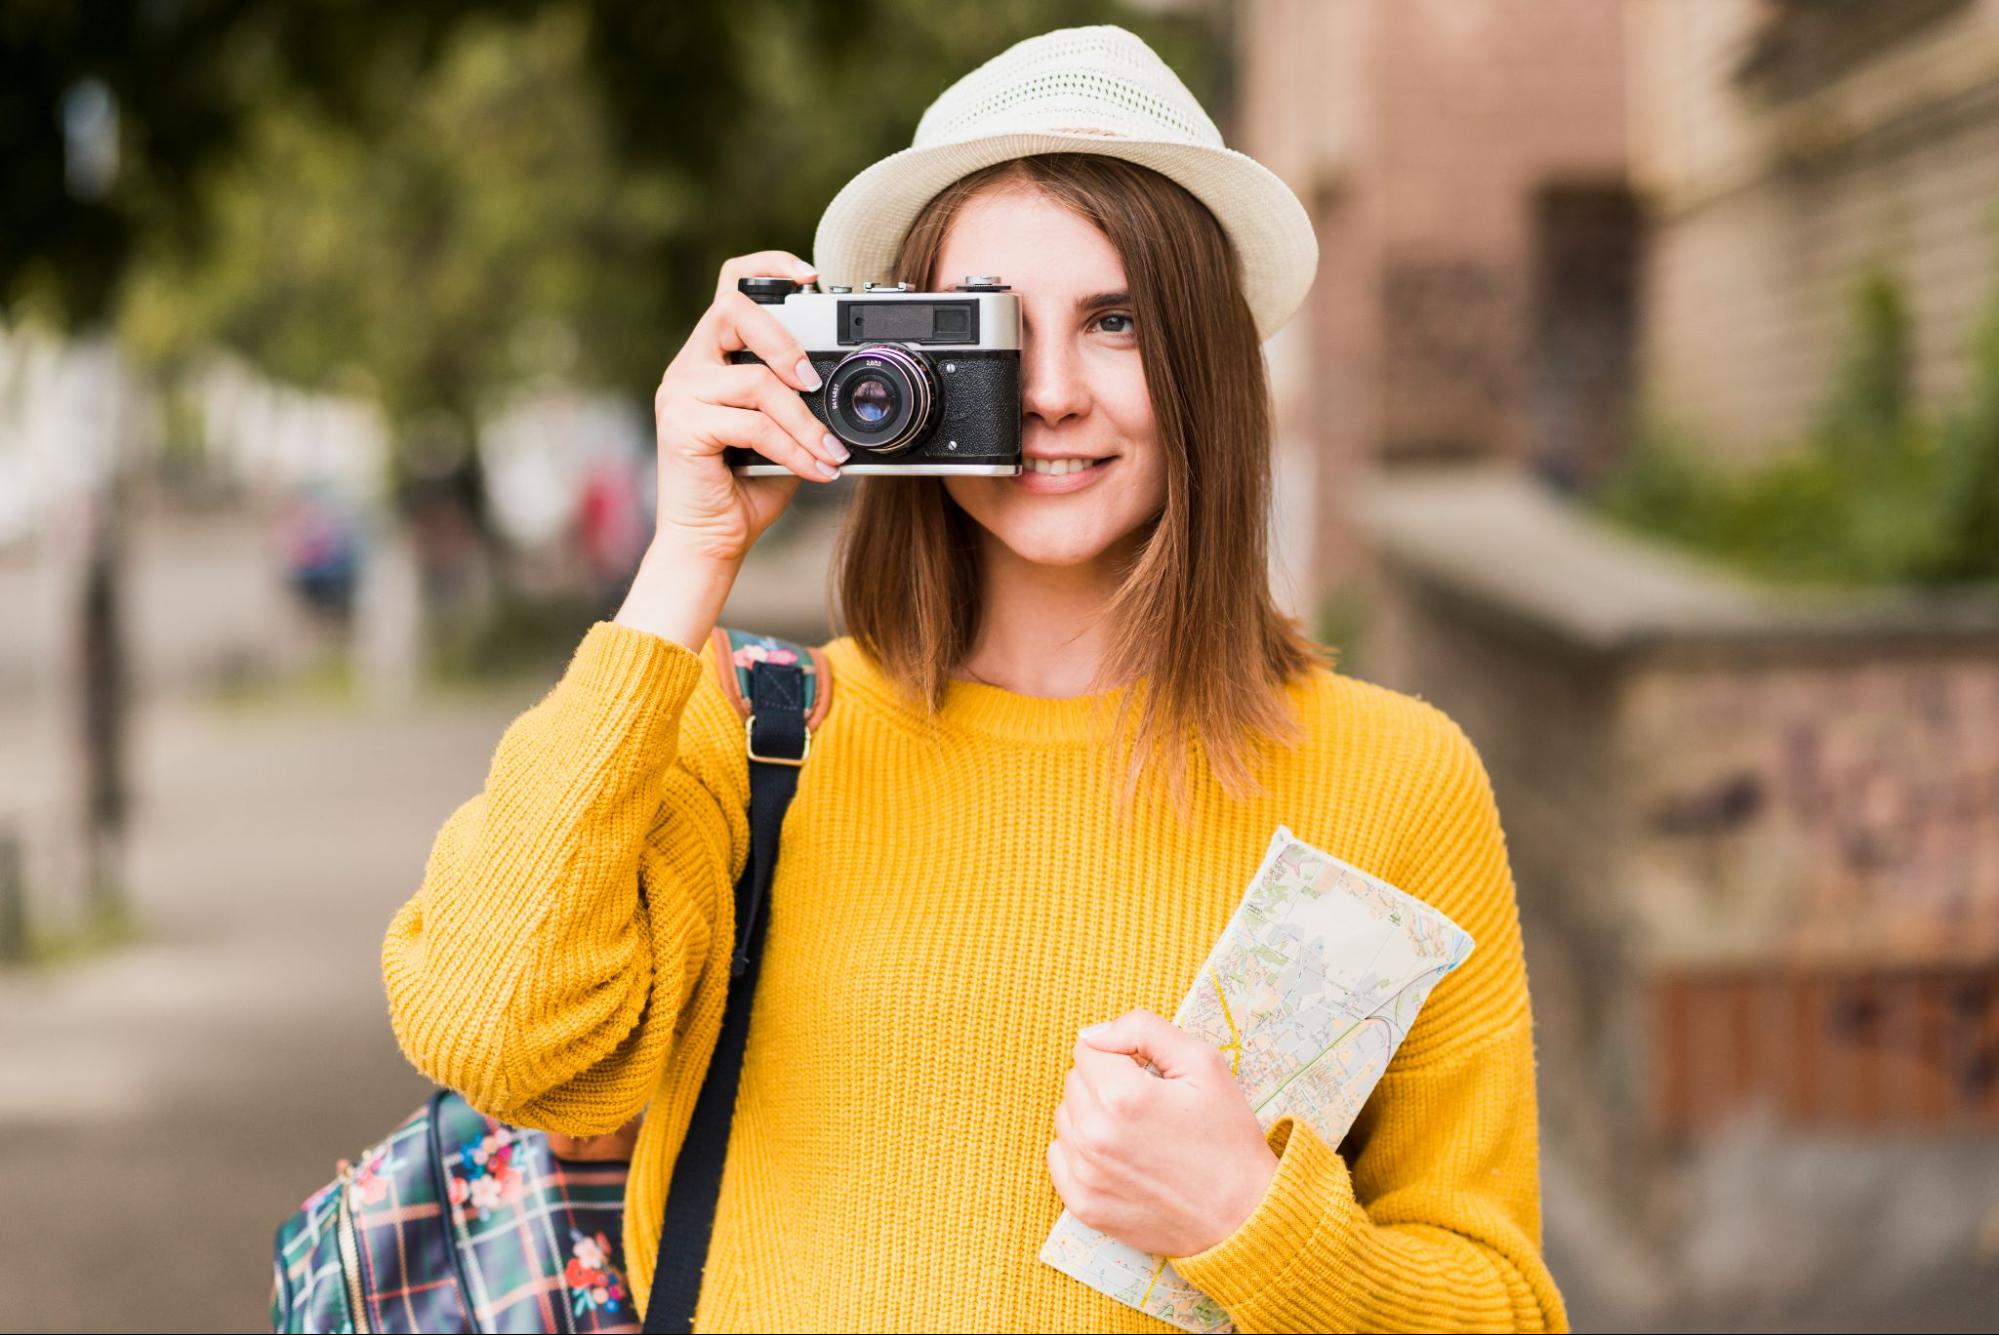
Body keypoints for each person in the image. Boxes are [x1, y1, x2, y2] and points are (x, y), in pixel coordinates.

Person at [382, 25, 1568, 1333]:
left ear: (1211, 365)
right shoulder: (759, 735)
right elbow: (495, 1028)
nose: (1052, 393)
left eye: (1116, 322)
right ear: (891, 365)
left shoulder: (1393, 781)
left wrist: (1251, 1223)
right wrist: (686, 558)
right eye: (991, 331)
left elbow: (1498, 1301)